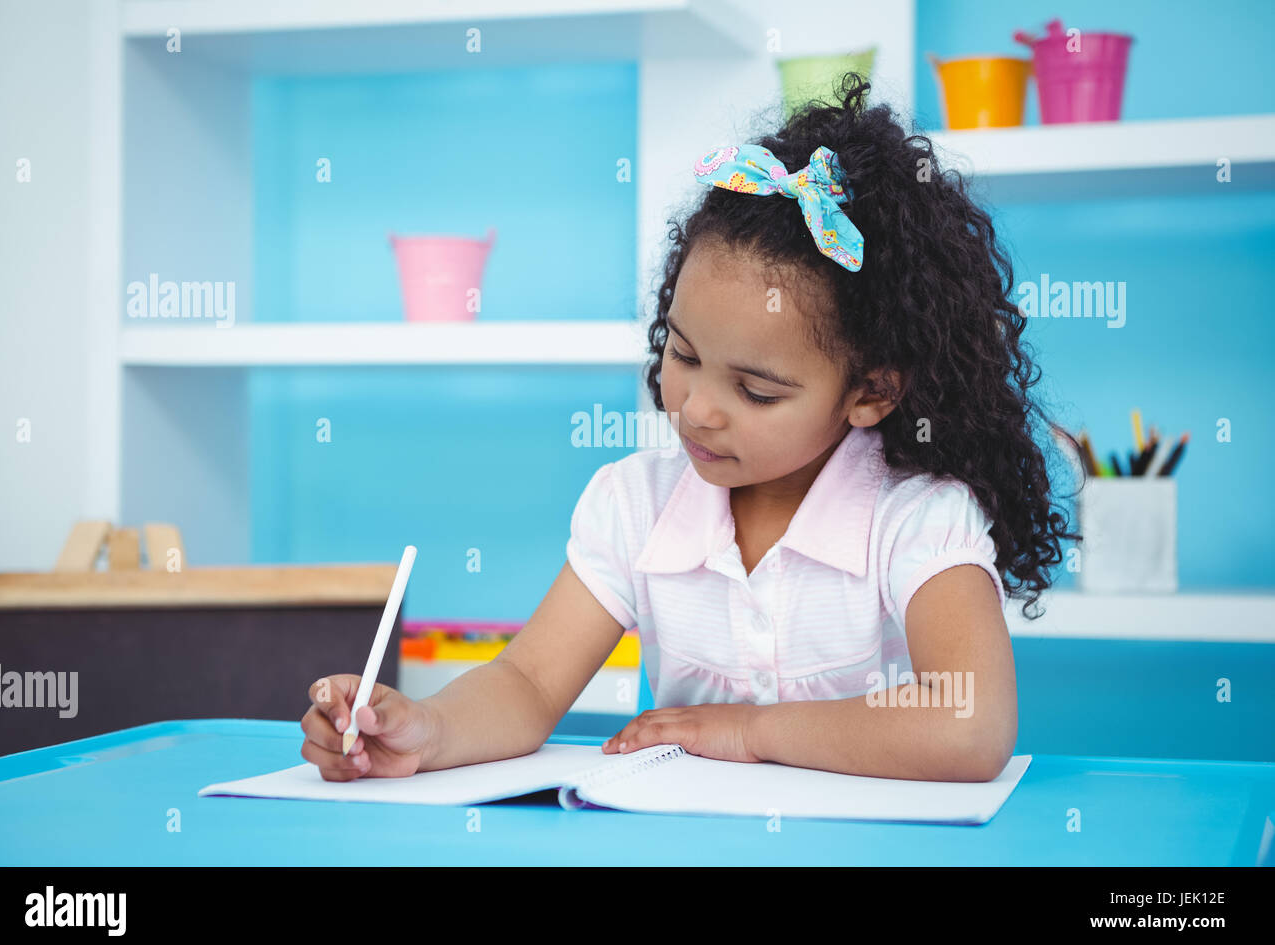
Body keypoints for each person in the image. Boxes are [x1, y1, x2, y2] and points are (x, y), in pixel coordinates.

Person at [301, 74, 1077, 785]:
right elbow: (529, 684)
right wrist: (426, 730)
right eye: (684, 353)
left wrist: (749, 732)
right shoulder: (635, 504)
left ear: (870, 392)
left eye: (756, 390)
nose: (697, 408)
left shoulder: (916, 518)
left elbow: (969, 724)